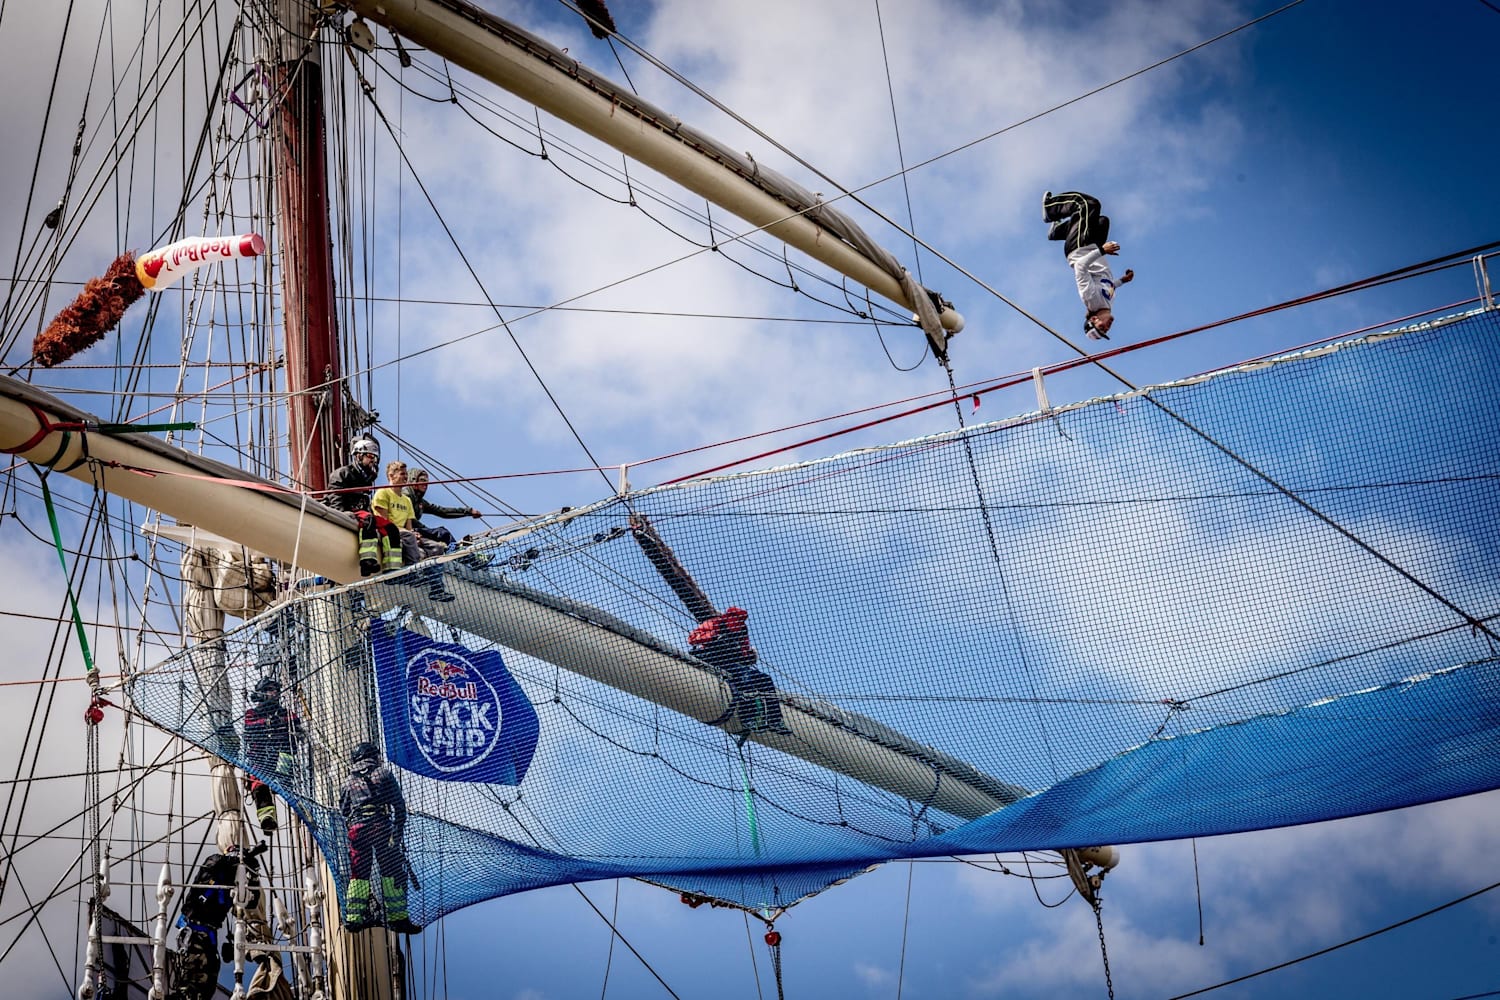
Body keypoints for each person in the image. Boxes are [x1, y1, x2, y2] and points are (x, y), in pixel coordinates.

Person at [338, 741, 419, 934]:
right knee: (391, 871)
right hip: (380, 827)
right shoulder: (383, 774)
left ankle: (353, 919)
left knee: (359, 874)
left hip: (357, 830)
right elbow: (399, 806)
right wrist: (397, 832)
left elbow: (344, 810)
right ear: (373, 756)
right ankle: (398, 919)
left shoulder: (348, 781)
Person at [169, 842, 266, 1000]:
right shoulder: (214, 863)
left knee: (208, 983)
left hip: (208, 936)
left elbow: (251, 903)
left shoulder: (232, 884)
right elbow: (215, 863)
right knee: (192, 983)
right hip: (194, 931)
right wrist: (235, 857)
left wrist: (253, 874)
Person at [1042, 191, 1135, 340]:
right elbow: (1110, 286)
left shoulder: (1090, 297)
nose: (1108, 326)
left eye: (1102, 327)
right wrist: (1124, 280)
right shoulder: (1106, 305)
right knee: (1102, 222)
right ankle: (1057, 232)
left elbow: (1080, 266)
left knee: (1089, 205)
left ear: (1094, 319)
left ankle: (1050, 210)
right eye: (1107, 330)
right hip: (1091, 246)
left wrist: (1102, 250)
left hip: (1079, 249)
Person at [690, 607, 790, 736]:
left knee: (765, 679)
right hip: (713, 659)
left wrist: (748, 655)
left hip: (733, 662)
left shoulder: (742, 630)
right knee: (744, 677)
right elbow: (693, 638)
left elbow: (744, 649)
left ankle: (775, 720)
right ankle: (747, 717)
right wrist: (714, 637)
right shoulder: (715, 623)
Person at [372, 461, 454, 602]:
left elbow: (409, 525)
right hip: (389, 531)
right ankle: (411, 572)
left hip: (405, 533)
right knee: (409, 536)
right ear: (391, 475)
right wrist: (409, 533)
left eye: (406, 474)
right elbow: (382, 521)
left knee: (437, 547)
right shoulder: (382, 494)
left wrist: (415, 534)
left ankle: (436, 588)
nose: (405, 477)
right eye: (402, 474)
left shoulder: (406, 501)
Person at [325, 436, 402, 576]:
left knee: (391, 528)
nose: (372, 460)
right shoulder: (343, 473)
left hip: (363, 512)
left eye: (374, 457)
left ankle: (393, 569)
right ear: (358, 455)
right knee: (369, 520)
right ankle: (367, 562)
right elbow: (334, 495)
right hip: (350, 510)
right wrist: (341, 513)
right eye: (369, 456)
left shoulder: (366, 478)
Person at [242, 676, 300, 834]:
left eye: (275, 690)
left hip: (281, 759)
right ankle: (267, 818)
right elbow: (249, 728)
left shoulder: (285, 714)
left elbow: (295, 722)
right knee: (259, 787)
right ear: (260, 693)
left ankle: (298, 805)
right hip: (259, 760)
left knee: (287, 779)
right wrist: (268, 723)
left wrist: (284, 723)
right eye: (269, 690)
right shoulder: (252, 714)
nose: (274, 693)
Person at [404, 468, 481, 548]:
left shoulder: (420, 502)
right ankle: (460, 553)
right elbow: (410, 519)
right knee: (442, 533)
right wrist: (427, 530)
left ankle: (461, 553)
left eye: (427, 481)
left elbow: (442, 511)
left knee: (441, 535)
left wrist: (468, 511)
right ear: (413, 480)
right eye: (422, 480)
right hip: (406, 530)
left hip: (414, 530)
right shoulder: (405, 496)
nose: (425, 484)